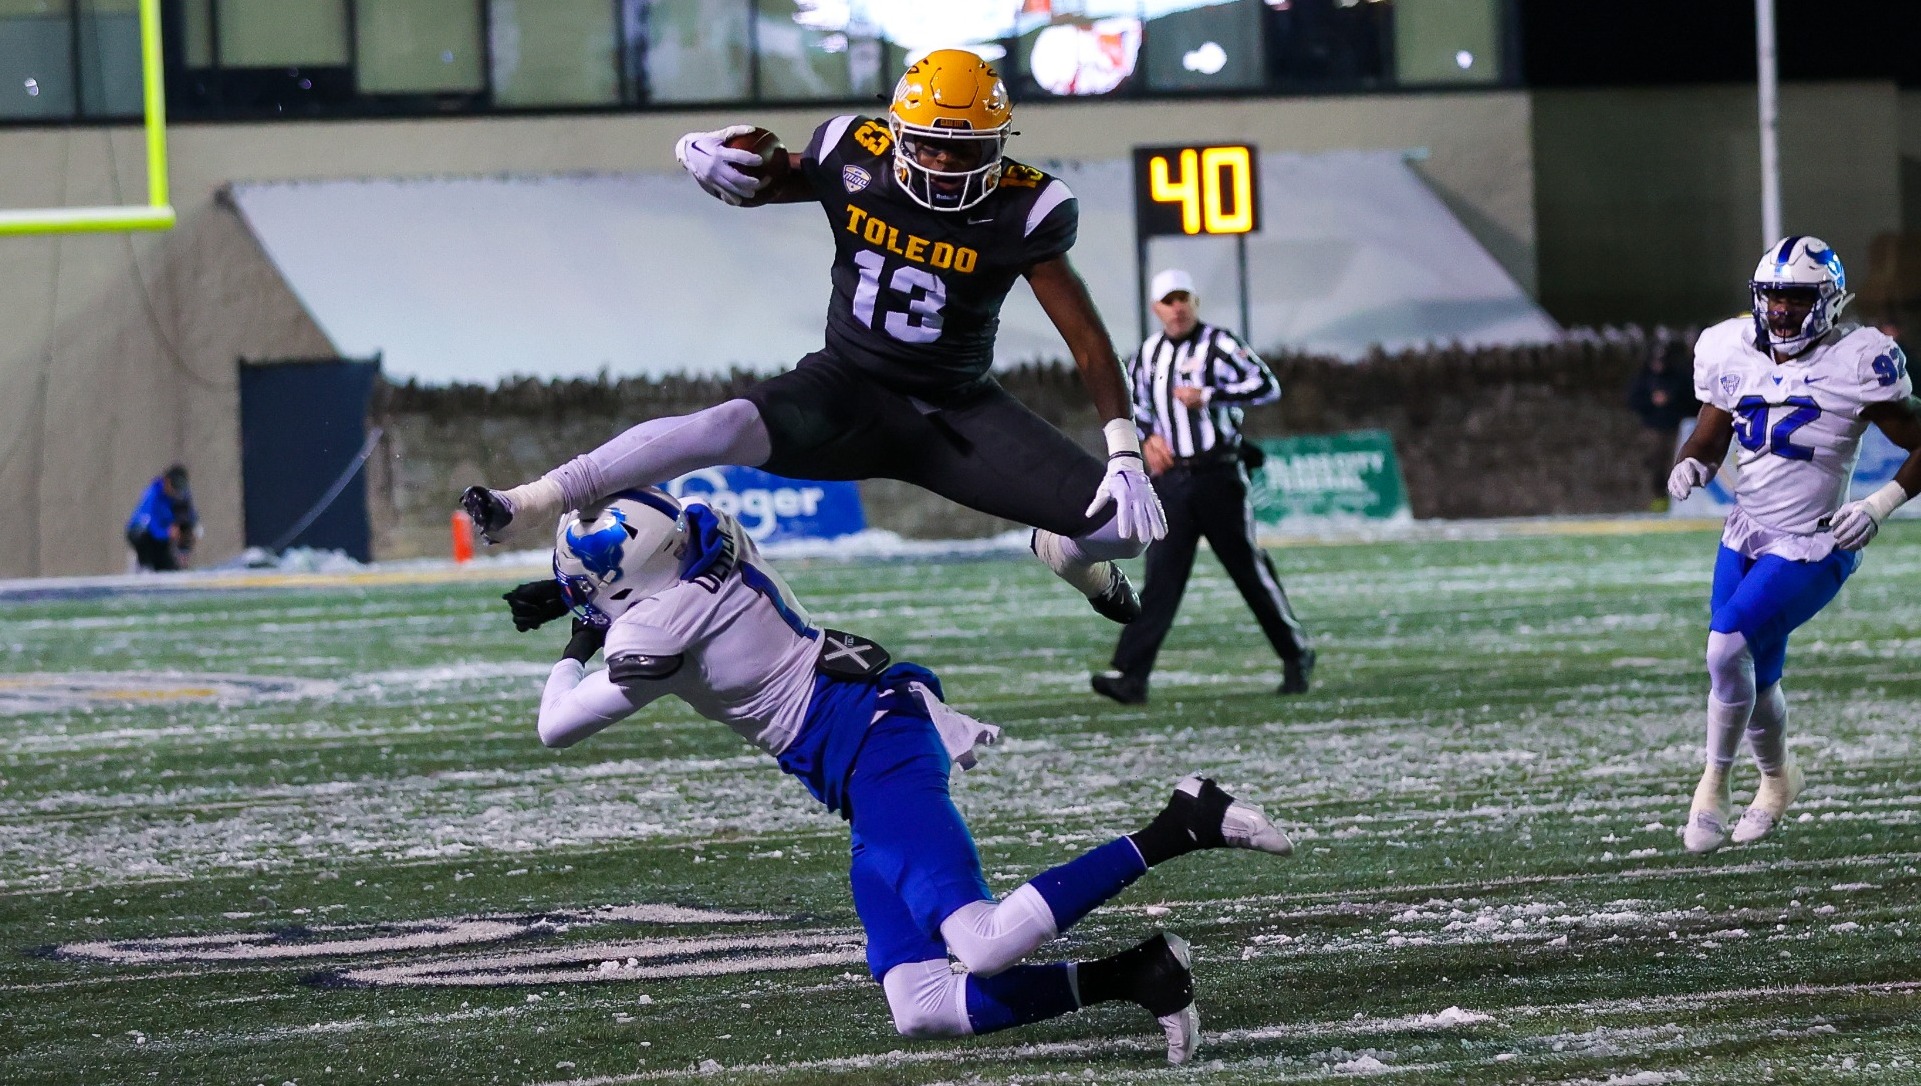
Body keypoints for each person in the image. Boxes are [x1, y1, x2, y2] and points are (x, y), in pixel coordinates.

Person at [502, 487, 1294, 1064]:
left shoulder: (657, 628)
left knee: (980, 946)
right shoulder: (708, 530)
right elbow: (648, 552)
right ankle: (1137, 974)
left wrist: (577, 639)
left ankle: (1183, 820)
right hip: (862, 745)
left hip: (874, 746)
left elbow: (554, 726)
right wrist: (597, 603)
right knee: (920, 1007)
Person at [462, 49, 1164, 625]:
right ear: (895, 133)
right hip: (845, 389)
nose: (947, 165)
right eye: (931, 145)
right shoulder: (851, 154)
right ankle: (533, 498)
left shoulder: (1029, 207)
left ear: (996, 143)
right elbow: (763, 176)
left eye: (965, 149)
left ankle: (1067, 556)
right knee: (725, 423)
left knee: (1124, 528)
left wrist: (1124, 451)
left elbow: (1088, 341)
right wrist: (700, 153)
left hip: (958, 411)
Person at [1667, 236, 1920, 854]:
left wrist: (1879, 504)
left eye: (1794, 298)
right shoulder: (1730, 348)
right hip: (1746, 532)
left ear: (1828, 302)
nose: (1779, 311)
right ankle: (1779, 781)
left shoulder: (1859, 360)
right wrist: (1693, 463)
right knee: (1755, 671)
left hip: (1816, 540)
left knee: (1726, 647)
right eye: (1772, 297)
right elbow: (1710, 432)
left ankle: (1713, 784)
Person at [1090, 270, 1314, 706]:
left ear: (1194, 302)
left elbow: (1265, 385)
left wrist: (1210, 394)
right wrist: (1149, 437)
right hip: (1172, 480)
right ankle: (1130, 676)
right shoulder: (1148, 354)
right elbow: (1132, 403)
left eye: (1183, 299)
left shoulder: (1220, 343)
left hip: (1218, 475)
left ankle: (1295, 652)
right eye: (1167, 301)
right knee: (1161, 577)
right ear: (1156, 308)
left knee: (1247, 570)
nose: (1176, 308)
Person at [1626, 329, 1701, 509]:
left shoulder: (1679, 376)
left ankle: (1680, 499)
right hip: (1654, 428)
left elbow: (1692, 399)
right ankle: (1659, 498)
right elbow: (1633, 400)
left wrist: (1672, 400)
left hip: (1677, 427)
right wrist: (1651, 401)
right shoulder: (1643, 378)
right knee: (1655, 463)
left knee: (1679, 463)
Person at [124, 464, 197, 572]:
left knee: (168, 569)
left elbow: (191, 517)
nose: (177, 491)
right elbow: (151, 525)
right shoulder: (153, 494)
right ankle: (142, 563)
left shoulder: (182, 495)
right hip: (146, 534)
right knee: (142, 535)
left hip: (163, 540)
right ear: (167, 481)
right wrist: (167, 532)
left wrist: (188, 532)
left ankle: (181, 560)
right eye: (175, 486)